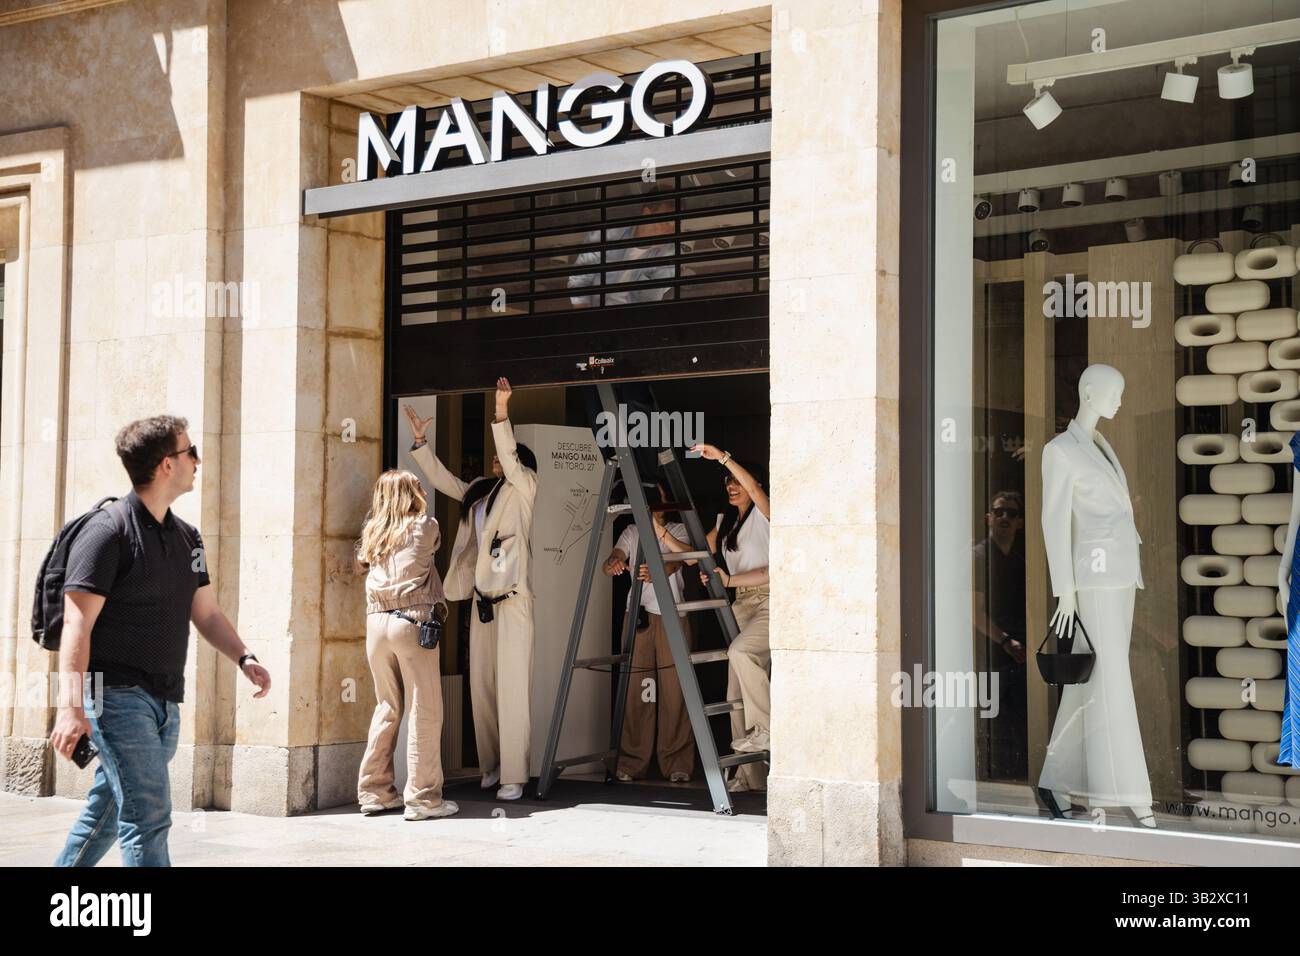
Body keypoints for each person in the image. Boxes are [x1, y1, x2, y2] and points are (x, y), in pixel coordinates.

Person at [50, 415, 271, 867]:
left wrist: (243, 656)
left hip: (164, 700)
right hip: (111, 696)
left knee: (110, 811)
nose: (198, 460)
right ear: (166, 465)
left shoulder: (187, 538)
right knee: (148, 817)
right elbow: (76, 625)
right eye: (190, 451)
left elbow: (205, 611)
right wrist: (71, 708)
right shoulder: (107, 532)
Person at [403, 377, 538, 800]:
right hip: (483, 604)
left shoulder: (525, 487)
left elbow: (514, 462)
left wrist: (501, 413)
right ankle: (492, 767)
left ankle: (516, 773)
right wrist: (422, 443)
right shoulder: (479, 492)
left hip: (513, 601)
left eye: (505, 457)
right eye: (496, 459)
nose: (498, 462)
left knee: (513, 686)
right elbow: (444, 481)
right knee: (482, 687)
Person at [659, 444, 770, 792]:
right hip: (740, 606)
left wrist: (723, 456)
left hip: (772, 602)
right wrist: (656, 528)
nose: (731, 486)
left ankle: (768, 729)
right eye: (726, 482)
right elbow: (693, 558)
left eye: (734, 480)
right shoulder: (725, 522)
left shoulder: (768, 514)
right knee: (734, 691)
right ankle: (748, 778)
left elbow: (771, 570)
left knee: (741, 653)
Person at [355, 470, 458, 821]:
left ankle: (375, 792)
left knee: (387, 706)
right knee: (424, 707)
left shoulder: (374, 532)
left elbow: (361, 565)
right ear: (406, 493)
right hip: (411, 620)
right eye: (416, 485)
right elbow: (430, 549)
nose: (423, 489)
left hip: (376, 624)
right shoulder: (424, 525)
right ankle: (423, 798)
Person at [601, 485, 695, 782]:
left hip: (672, 615)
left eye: (661, 500)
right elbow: (613, 558)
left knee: (675, 692)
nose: (657, 505)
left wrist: (662, 567)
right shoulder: (632, 531)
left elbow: (683, 560)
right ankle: (632, 761)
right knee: (638, 691)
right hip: (639, 616)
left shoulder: (679, 528)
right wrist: (613, 563)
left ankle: (677, 761)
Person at [971, 491, 1028, 781]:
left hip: (1022, 656)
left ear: (1020, 522)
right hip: (992, 655)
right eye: (999, 511)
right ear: (989, 518)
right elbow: (974, 612)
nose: (1005, 517)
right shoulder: (978, 557)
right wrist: (1005, 640)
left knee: (1021, 724)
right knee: (989, 722)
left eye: (1012, 513)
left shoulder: (1024, 558)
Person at [567, 180, 676, 307]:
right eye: (667, 223)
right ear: (647, 214)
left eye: (676, 225)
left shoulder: (669, 255)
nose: (671, 230)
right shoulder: (607, 235)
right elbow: (580, 279)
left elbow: (649, 301)